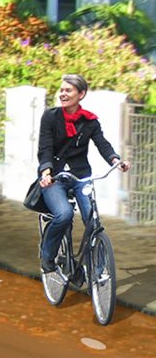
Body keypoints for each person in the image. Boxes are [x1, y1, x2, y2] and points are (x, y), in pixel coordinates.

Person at [36, 73, 128, 275]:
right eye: (62, 90)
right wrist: (46, 171)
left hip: (80, 176)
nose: (63, 94)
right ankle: (47, 255)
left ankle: (99, 271)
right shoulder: (50, 117)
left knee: (92, 220)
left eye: (68, 90)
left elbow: (102, 144)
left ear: (81, 94)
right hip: (54, 177)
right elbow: (45, 147)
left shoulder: (90, 121)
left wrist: (115, 160)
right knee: (64, 214)